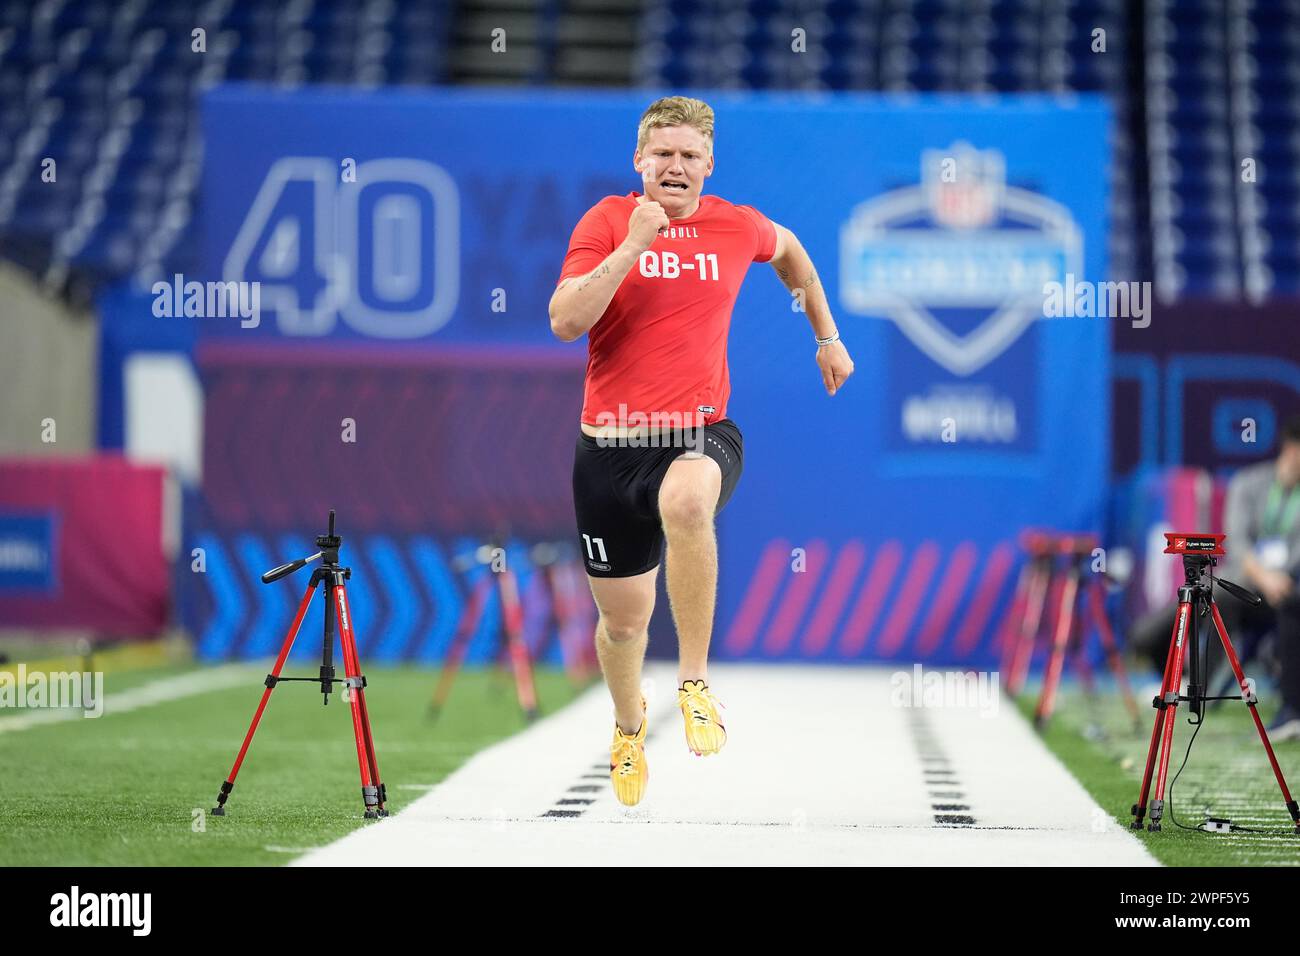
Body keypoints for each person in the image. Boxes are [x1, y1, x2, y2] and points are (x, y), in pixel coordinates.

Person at [548, 96, 855, 805]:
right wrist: (634, 244)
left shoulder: (735, 224)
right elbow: (565, 321)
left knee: (688, 501)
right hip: (609, 449)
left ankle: (693, 682)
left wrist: (827, 335)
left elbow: (793, 255)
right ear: (640, 161)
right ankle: (629, 732)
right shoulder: (606, 220)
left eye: (690, 156)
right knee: (623, 624)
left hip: (698, 431)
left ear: (709, 166)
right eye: (664, 155)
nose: (677, 167)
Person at [1130, 414, 1300, 739]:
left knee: (1222, 601)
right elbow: (1236, 541)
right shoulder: (1248, 483)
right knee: (1179, 613)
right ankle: (1178, 676)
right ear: (1291, 449)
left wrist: (1278, 578)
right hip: (1241, 582)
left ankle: (1198, 688)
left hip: (1284, 590)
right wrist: (1264, 576)